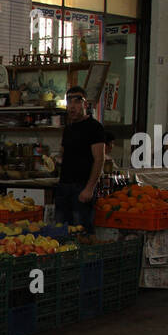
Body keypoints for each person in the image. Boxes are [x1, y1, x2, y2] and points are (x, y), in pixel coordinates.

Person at [54, 86, 105, 232]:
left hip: (82, 188)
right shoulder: (68, 129)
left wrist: (89, 189)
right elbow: (63, 154)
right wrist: (55, 160)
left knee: (80, 233)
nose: (72, 106)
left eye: (77, 101)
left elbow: (99, 160)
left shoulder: (95, 127)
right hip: (64, 187)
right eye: (69, 102)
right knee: (60, 231)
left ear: (85, 104)